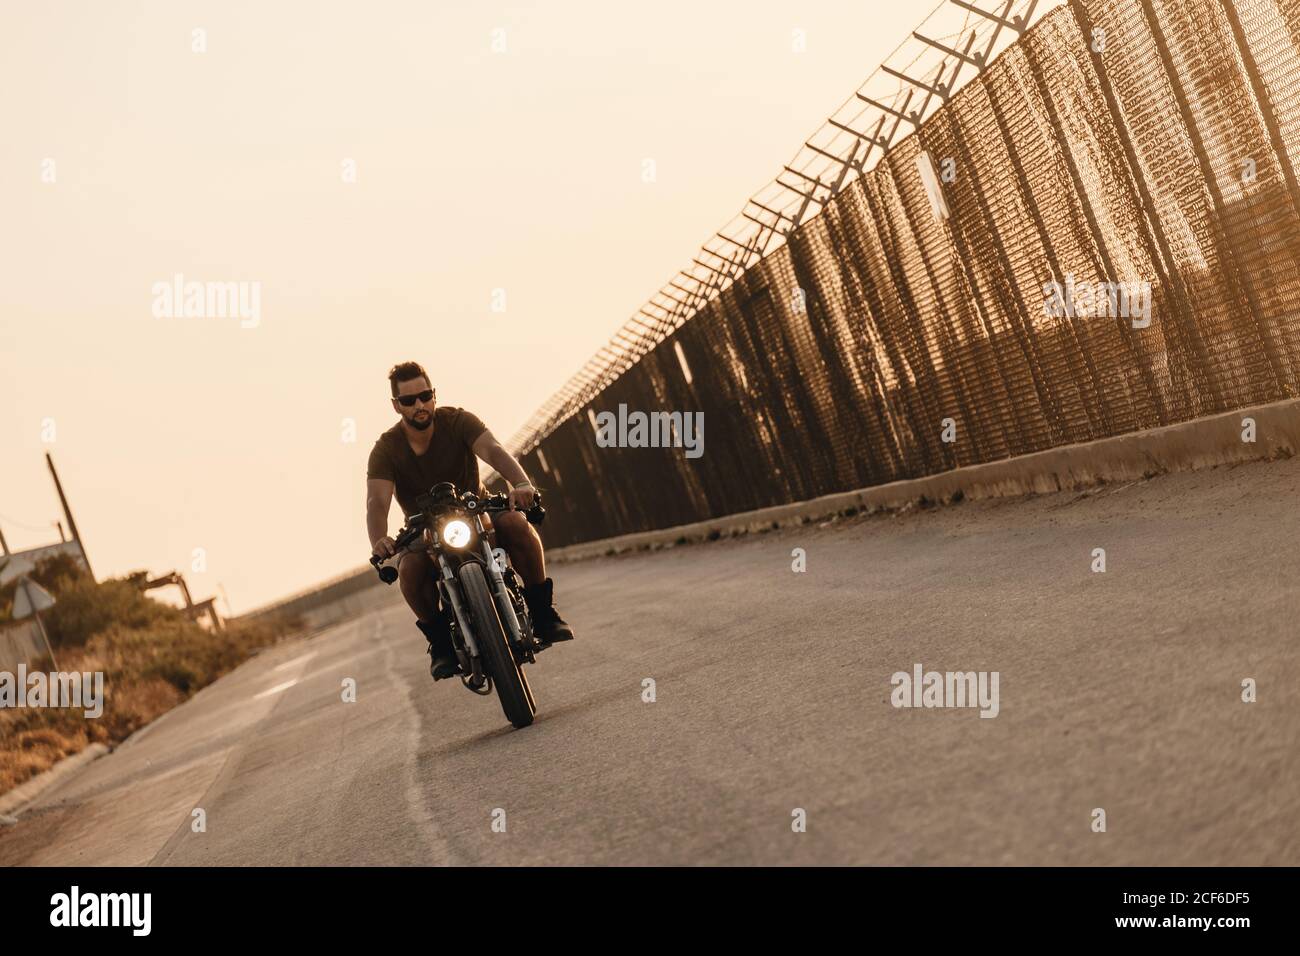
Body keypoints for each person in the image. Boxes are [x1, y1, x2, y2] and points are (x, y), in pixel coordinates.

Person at [365, 361, 574, 679]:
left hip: (477, 508)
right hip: (423, 527)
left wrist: (520, 483)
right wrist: (379, 538)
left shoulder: (459, 421)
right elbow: (377, 501)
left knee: (517, 524)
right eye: (409, 400)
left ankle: (544, 612)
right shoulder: (386, 448)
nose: (419, 405)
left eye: (425, 396)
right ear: (396, 406)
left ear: (434, 395)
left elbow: (493, 450)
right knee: (409, 569)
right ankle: (440, 644)